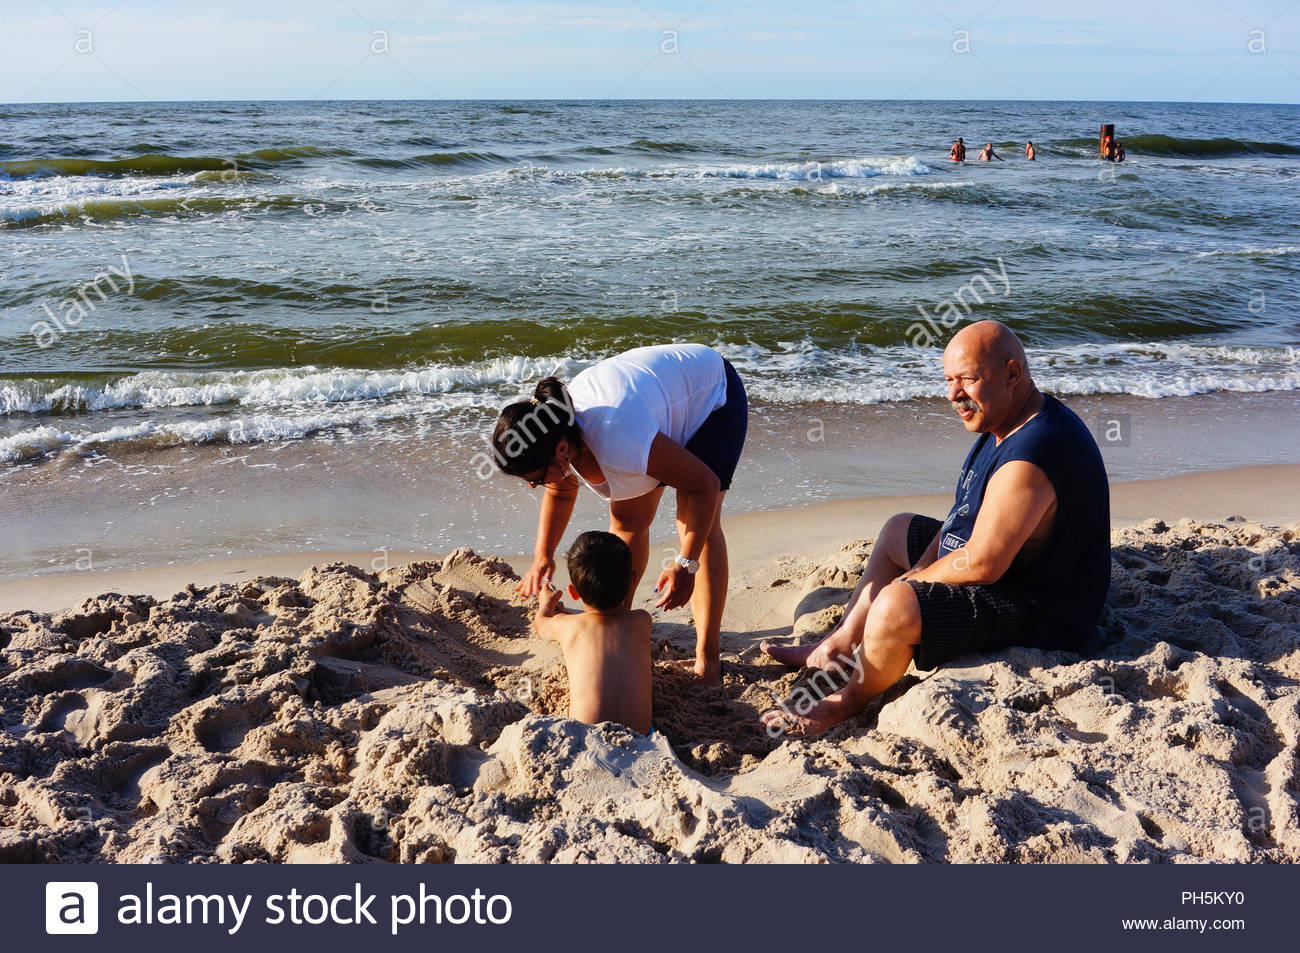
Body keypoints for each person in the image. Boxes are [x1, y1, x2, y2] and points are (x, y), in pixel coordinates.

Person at [761, 321, 1111, 736]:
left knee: (895, 606)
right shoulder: (1002, 422)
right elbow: (958, 520)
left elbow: (983, 562)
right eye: (948, 380)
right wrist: (917, 570)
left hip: (1043, 608)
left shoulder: (1033, 454)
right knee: (898, 531)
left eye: (967, 379)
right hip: (1016, 569)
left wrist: (910, 585)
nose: (952, 395)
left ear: (1012, 374)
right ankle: (840, 643)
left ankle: (846, 701)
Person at [492, 343, 748, 685]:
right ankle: (614, 632)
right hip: (654, 408)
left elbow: (705, 484)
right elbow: (562, 487)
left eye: (535, 477)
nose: (534, 487)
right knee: (628, 523)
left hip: (712, 398)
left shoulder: (617, 442)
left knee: (698, 525)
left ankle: (708, 661)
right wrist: (542, 556)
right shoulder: (559, 426)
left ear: (562, 450)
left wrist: (685, 564)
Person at [534, 531, 653, 734]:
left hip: (585, 735)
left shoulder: (568, 625)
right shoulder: (642, 620)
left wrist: (546, 603)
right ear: (633, 581)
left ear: (573, 592)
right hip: (642, 737)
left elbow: (541, 625)